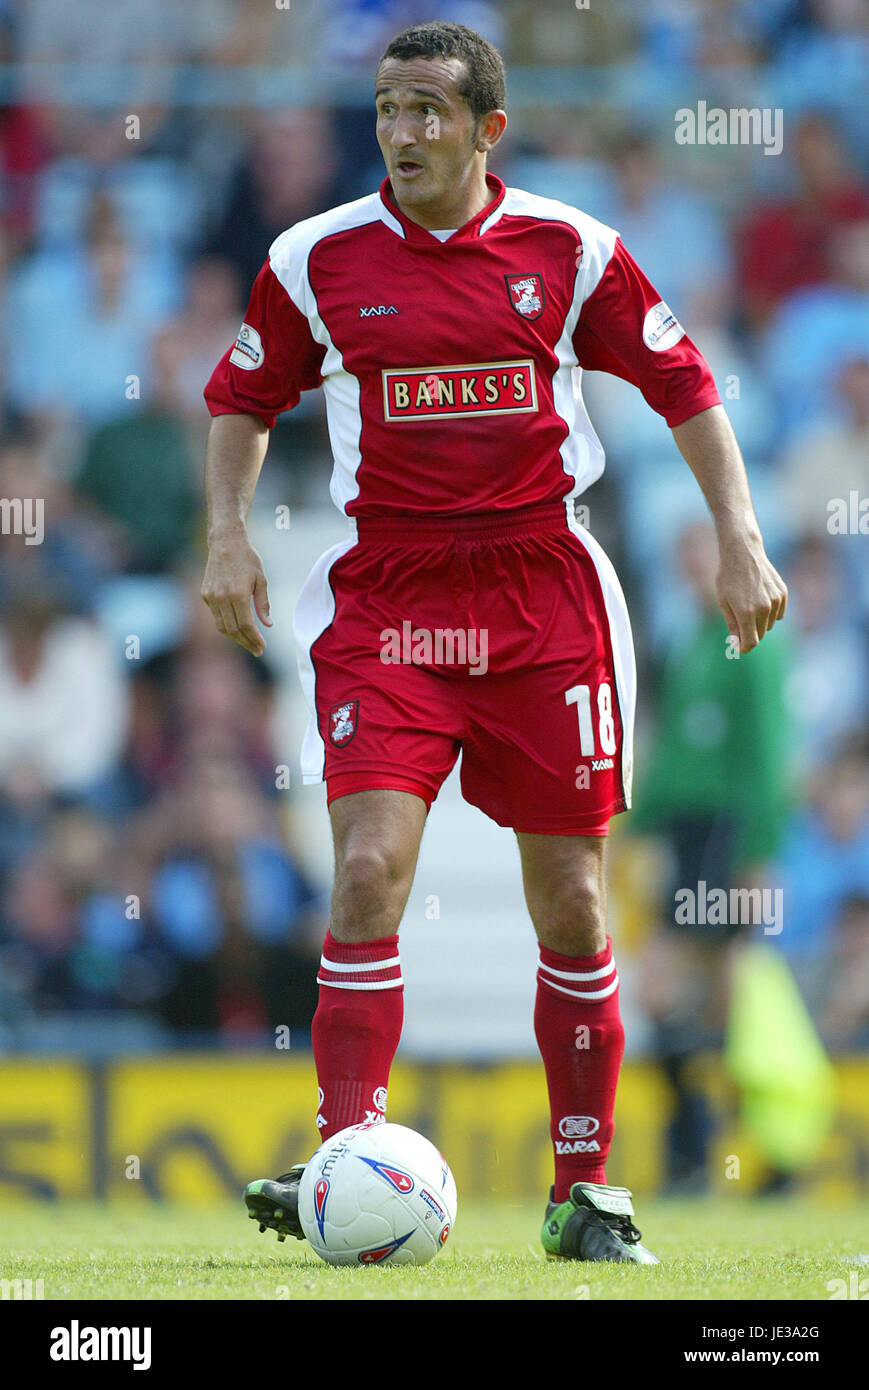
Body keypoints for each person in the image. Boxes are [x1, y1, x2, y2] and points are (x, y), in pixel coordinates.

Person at [201, 21, 786, 1264]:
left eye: (425, 110)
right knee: (366, 867)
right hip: (388, 599)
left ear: (485, 129)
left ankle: (584, 1191)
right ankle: (342, 1150)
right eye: (384, 108)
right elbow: (242, 398)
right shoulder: (312, 259)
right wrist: (226, 536)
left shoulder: (571, 251)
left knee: (572, 900)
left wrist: (737, 535)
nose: (400, 132)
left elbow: (684, 383)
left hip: (541, 597)